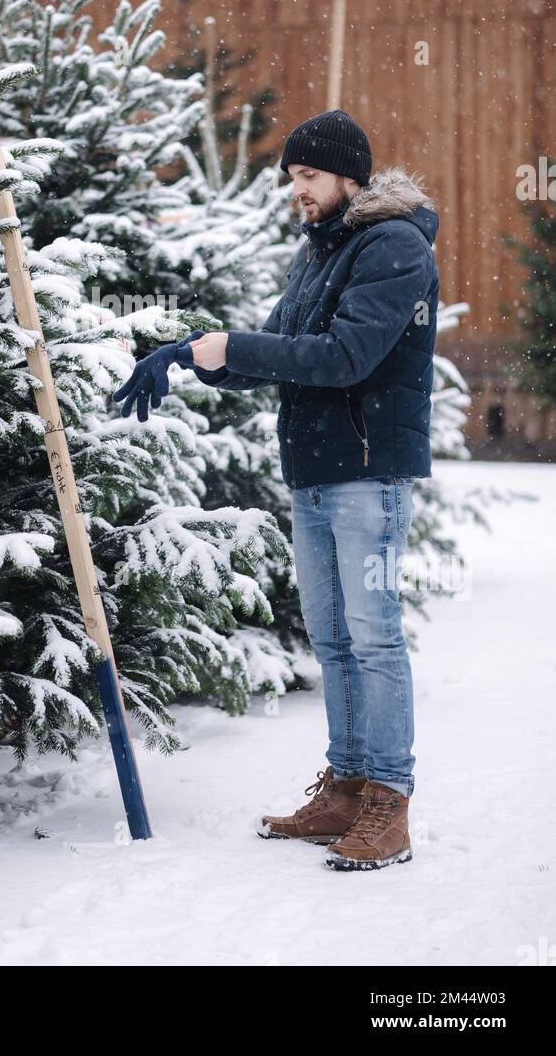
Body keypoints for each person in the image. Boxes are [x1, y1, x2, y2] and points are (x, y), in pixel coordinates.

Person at [113, 109, 440, 871]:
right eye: (292, 178)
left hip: (368, 476)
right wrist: (196, 356)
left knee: (376, 638)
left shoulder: (393, 245)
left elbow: (345, 355)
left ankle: (388, 802)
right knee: (332, 639)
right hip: (317, 476)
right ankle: (347, 788)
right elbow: (282, 350)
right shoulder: (321, 250)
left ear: (349, 178)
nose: (297, 191)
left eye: (308, 177)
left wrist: (236, 346)